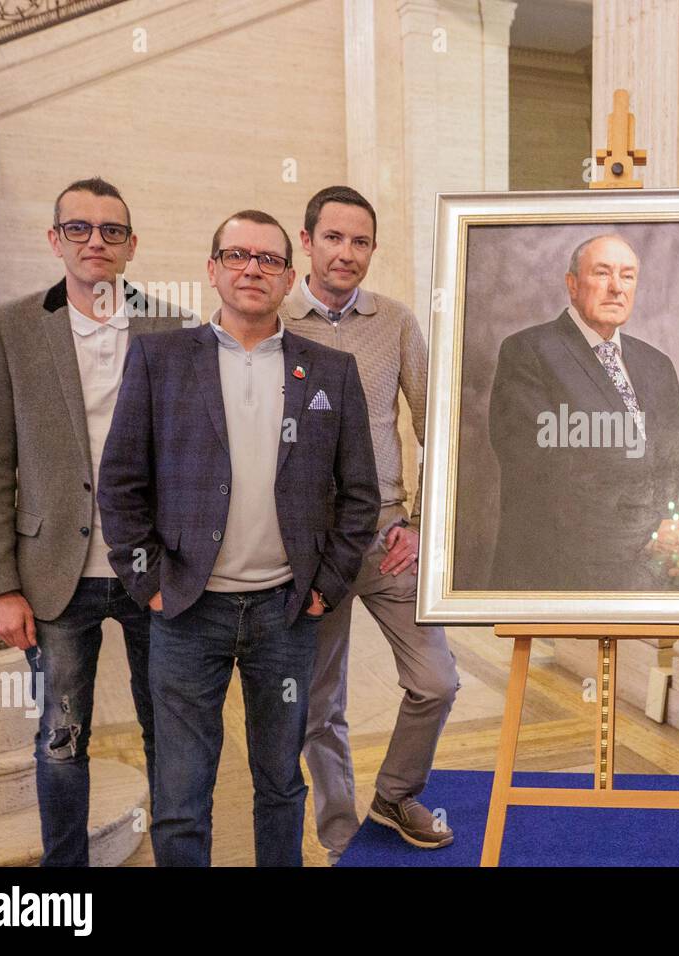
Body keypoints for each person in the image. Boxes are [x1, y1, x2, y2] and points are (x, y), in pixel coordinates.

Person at [97, 209, 379, 866]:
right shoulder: (160, 359)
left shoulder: (330, 373)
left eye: (269, 260)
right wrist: (149, 584)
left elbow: (358, 495)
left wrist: (326, 587)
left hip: (286, 615)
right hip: (187, 614)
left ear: (288, 278)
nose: (252, 268)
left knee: (280, 784)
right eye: (237, 256)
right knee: (180, 793)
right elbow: (121, 482)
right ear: (214, 269)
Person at [0, 177, 188, 866]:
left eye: (111, 230)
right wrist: (0, 584)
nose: (96, 241)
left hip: (153, 572)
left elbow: (193, 457)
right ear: (54, 238)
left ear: (130, 244)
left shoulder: (171, 325)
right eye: (79, 228)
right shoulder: (10, 325)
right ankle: (65, 883)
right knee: (62, 740)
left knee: (173, 733)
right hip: (54, 577)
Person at [281, 185, 460, 858]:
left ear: (373, 249)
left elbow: (436, 424)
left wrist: (423, 524)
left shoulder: (397, 322)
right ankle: (338, 834)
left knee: (437, 680)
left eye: (360, 241)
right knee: (318, 702)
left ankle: (394, 795)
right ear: (307, 242)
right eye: (333, 238)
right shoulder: (276, 320)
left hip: (386, 536)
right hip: (307, 545)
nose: (346, 253)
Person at [487, 234, 679, 591]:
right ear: (572, 285)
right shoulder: (528, 352)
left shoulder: (657, 365)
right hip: (561, 577)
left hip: (653, 572)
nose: (616, 288)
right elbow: (545, 475)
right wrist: (649, 533)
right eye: (602, 273)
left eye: (627, 276)